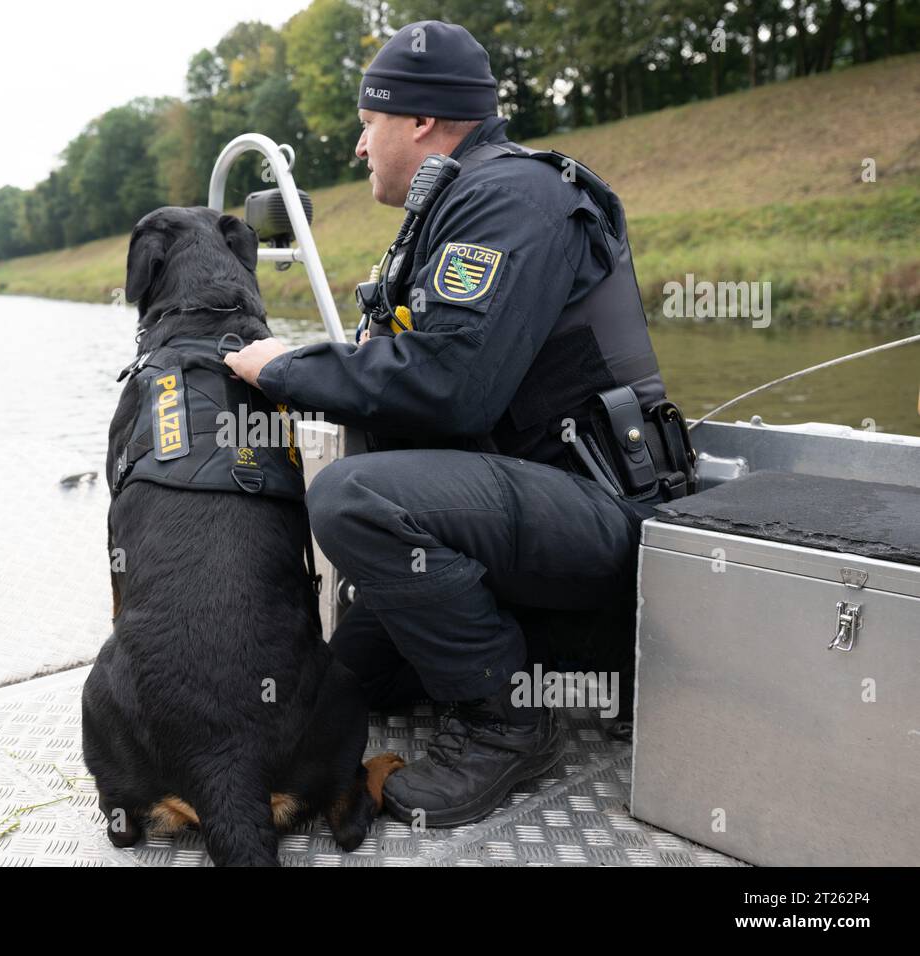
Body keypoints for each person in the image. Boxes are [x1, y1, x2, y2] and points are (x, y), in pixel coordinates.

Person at [223, 19, 690, 828]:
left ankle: (507, 725)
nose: (360, 148)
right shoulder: (463, 200)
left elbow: (453, 386)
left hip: (603, 514)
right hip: (527, 508)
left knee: (353, 496)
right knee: (341, 683)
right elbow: (431, 370)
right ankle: (481, 664)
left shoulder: (516, 199)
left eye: (369, 125)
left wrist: (286, 371)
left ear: (421, 121)